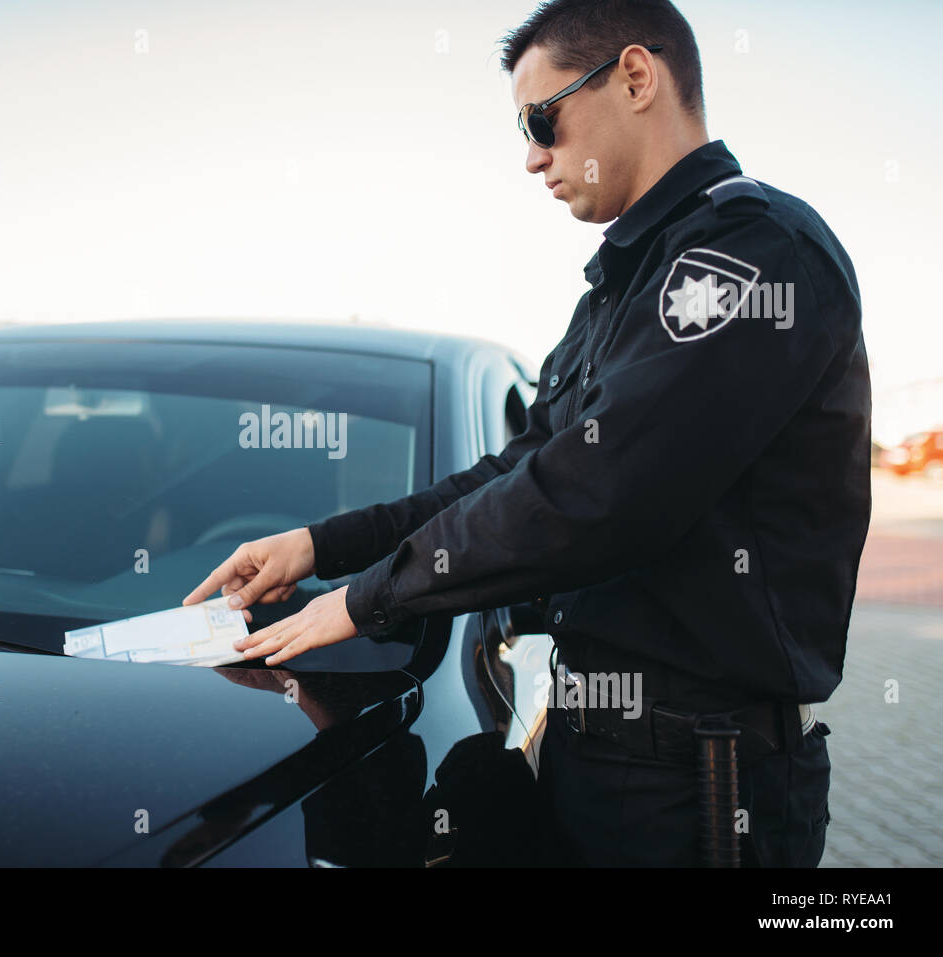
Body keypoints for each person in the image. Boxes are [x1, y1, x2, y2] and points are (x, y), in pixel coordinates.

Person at [183, 0, 870, 867]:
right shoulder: (618, 292)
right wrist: (321, 545)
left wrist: (361, 603)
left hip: (706, 792)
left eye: (542, 119)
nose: (533, 154)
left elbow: (596, 496)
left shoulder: (751, 258)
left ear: (635, 76)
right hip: (601, 766)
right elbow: (512, 473)